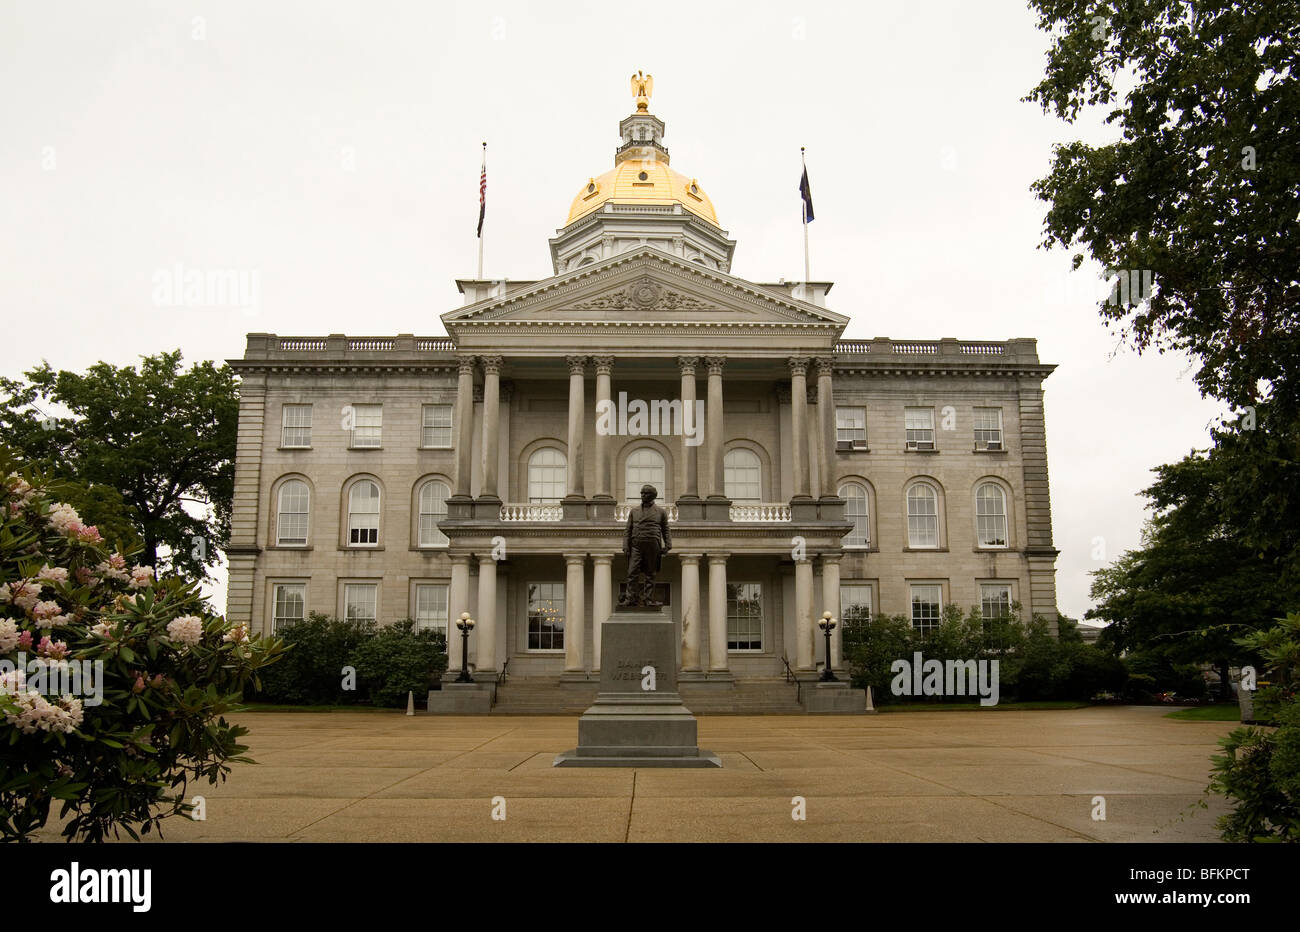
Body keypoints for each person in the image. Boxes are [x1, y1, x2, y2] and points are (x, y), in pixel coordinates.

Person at [619, 484, 671, 608]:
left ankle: (648, 598)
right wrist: (625, 545)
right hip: (636, 544)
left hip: (653, 545)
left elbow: (666, 529)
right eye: (642, 493)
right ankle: (631, 598)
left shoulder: (660, 512)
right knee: (632, 572)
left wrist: (668, 544)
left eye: (646, 493)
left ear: (653, 496)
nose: (643, 495)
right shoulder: (634, 511)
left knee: (650, 574)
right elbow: (628, 529)